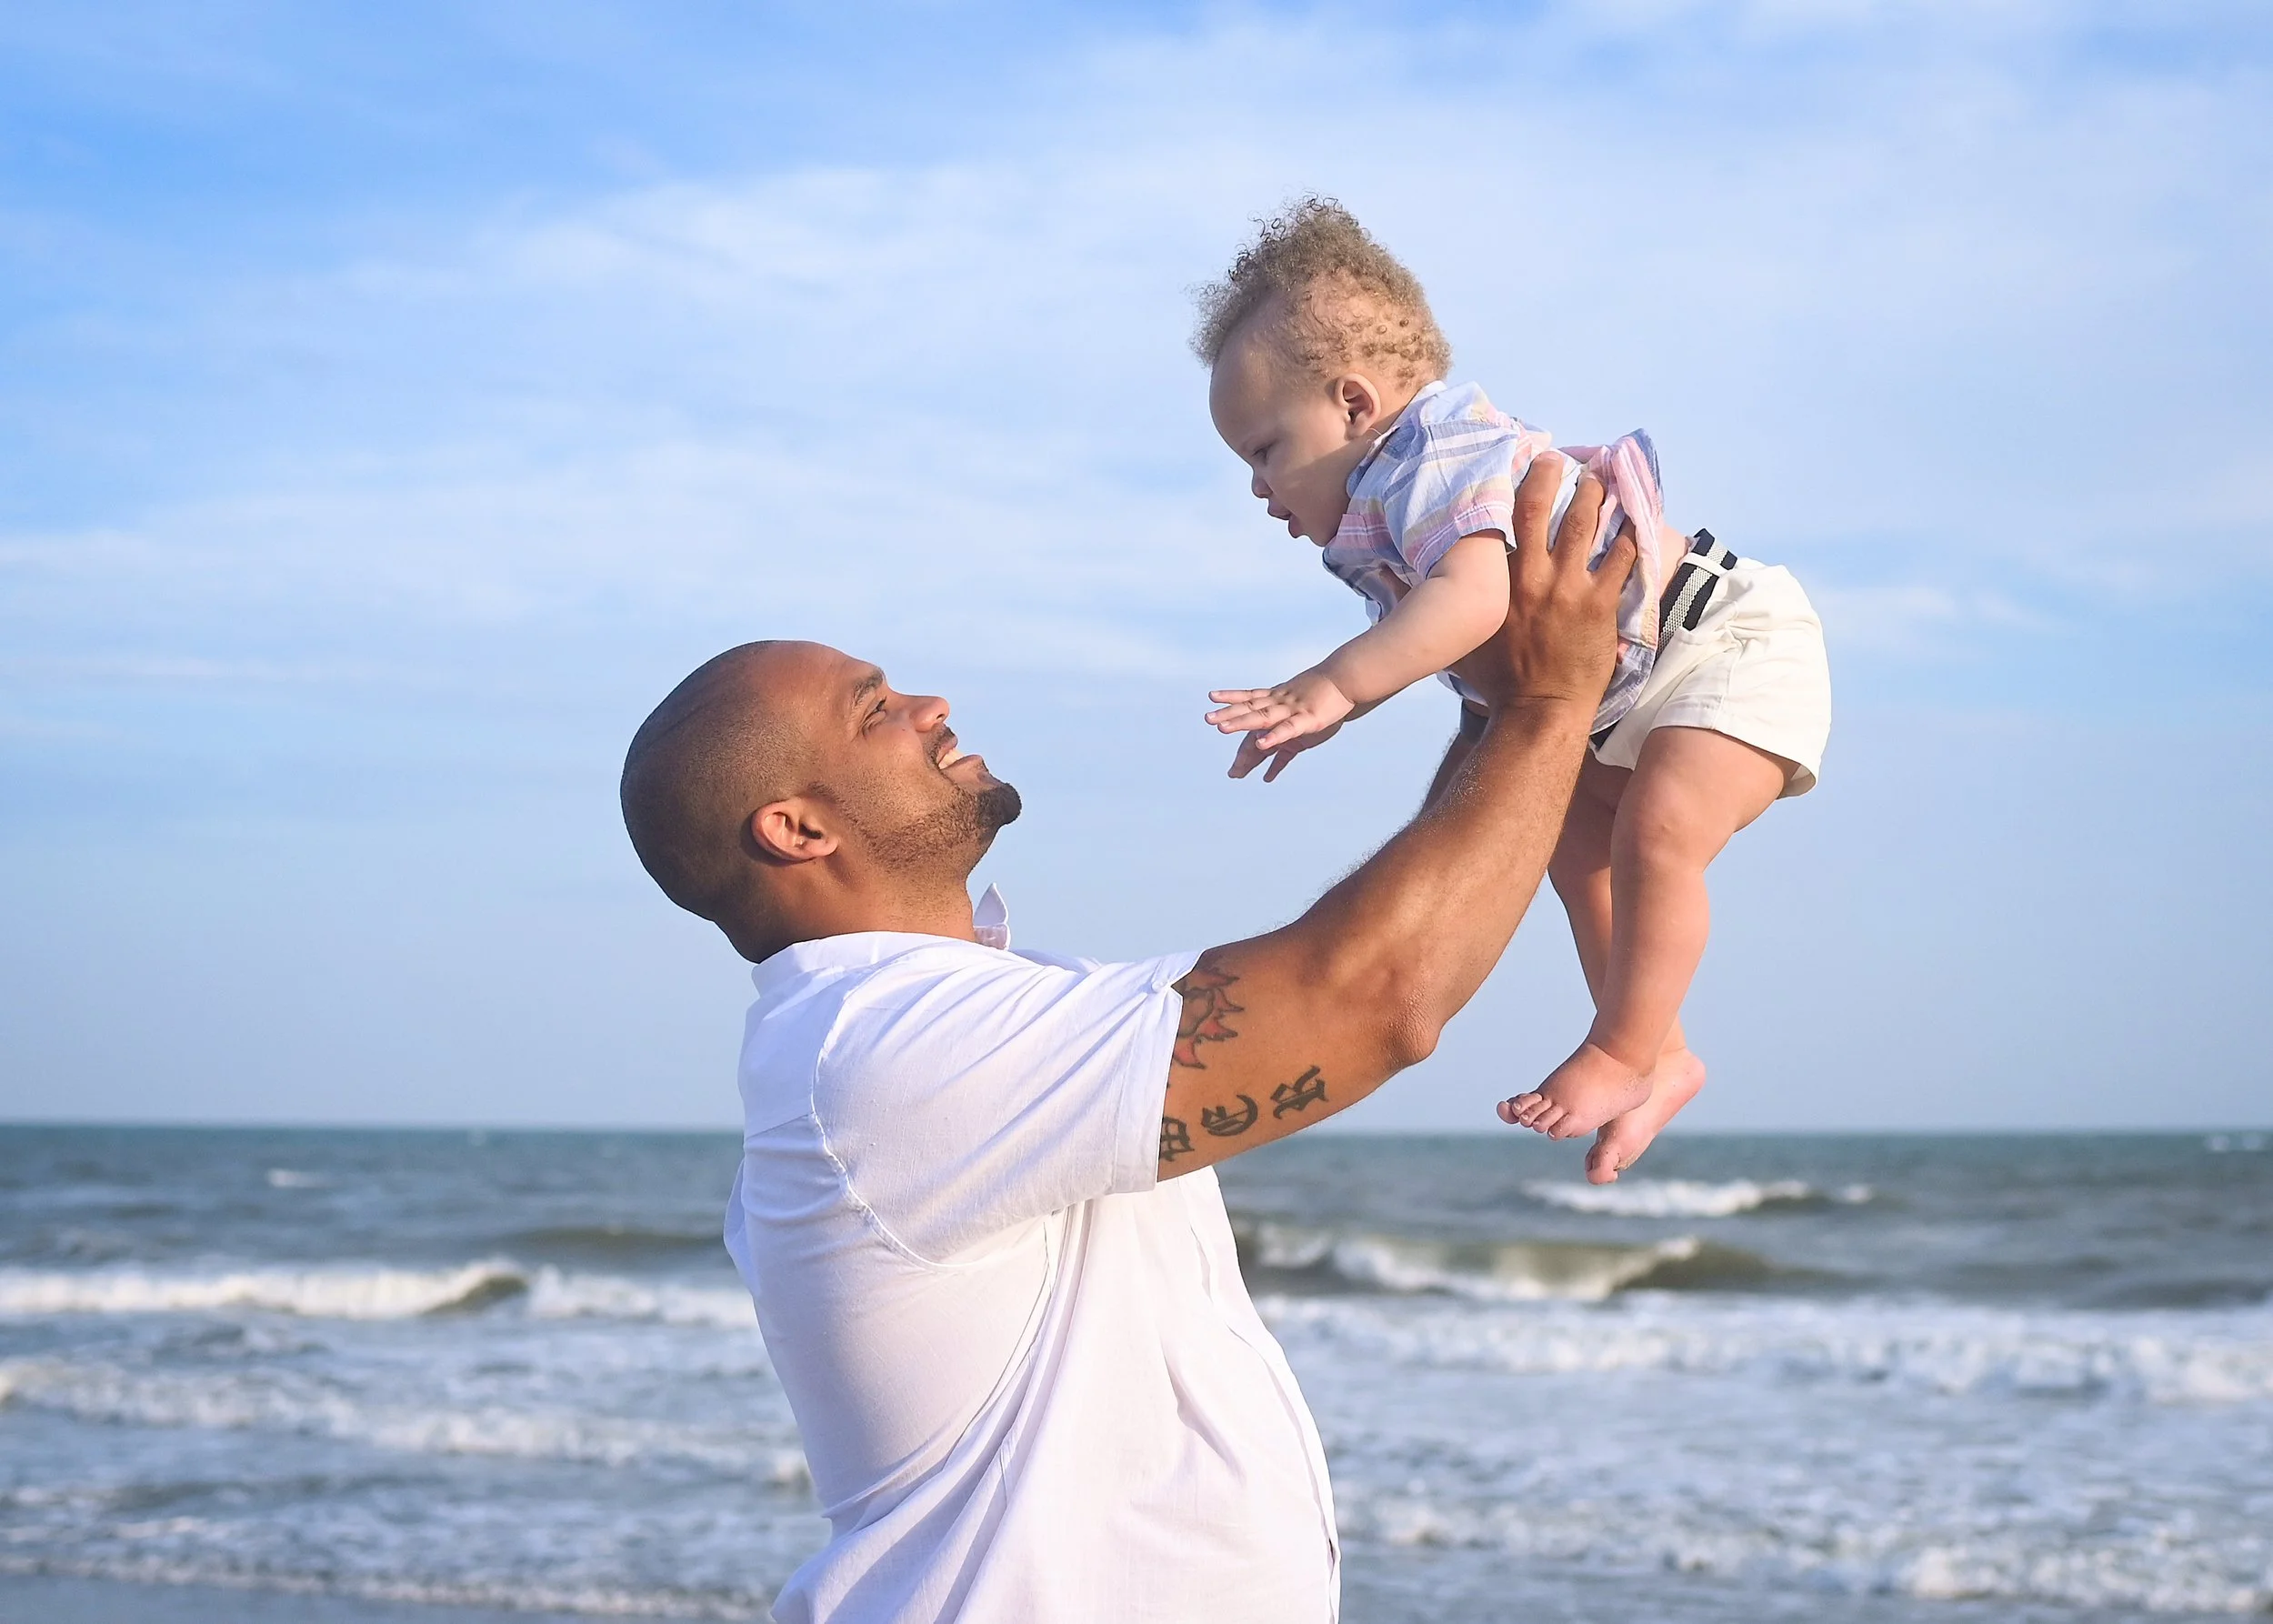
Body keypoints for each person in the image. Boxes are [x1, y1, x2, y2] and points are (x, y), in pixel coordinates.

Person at [617, 461, 1632, 1623]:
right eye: (874, 709)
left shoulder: (959, 1015)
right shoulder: (881, 1052)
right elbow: (1371, 996)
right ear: (795, 827)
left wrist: (1487, 698)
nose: (931, 704)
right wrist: (1549, 704)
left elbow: (1354, 968)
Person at [1194, 197, 1833, 1184]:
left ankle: (1622, 1048)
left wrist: (1331, 686)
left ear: (1355, 405)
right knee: (1570, 845)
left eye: (1266, 449)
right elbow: (1442, 639)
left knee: (1656, 835)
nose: (1256, 486)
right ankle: (1657, 1053)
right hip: (1624, 693)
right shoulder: (1386, 509)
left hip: (1723, 641)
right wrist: (1344, 706)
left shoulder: (1433, 461)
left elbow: (1475, 597)